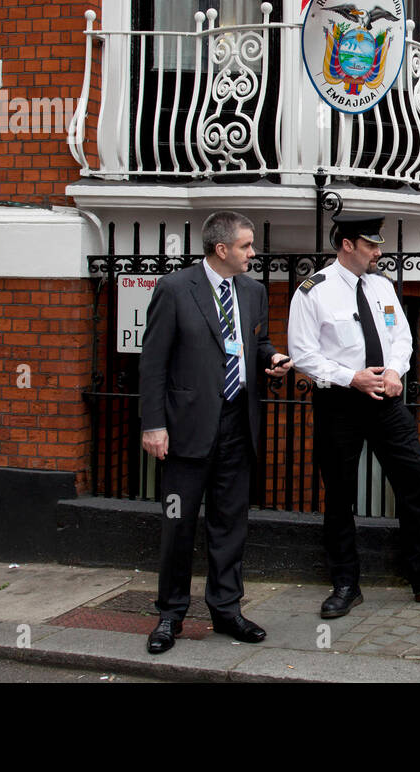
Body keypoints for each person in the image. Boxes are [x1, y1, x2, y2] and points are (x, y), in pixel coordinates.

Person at [287, 213, 420, 618]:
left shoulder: (382, 286)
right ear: (348, 244)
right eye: (371, 244)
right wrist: (350, 377)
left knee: (416, 478)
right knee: (339, 494)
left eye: (379, 244)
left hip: (386, 403)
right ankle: (345, 584)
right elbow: (303, 354)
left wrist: (393, 371)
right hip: (339, 403)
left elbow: (400, 335)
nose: (379, 251)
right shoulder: (312, 291)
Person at [140, 210, 293, 655]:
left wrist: (272, 359)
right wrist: (154, 424)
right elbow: (152, 364)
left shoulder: (252, 290)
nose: (253, 253)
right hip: (186, 428)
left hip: (237, 424)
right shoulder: (174, 288)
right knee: (178, 525)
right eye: (246, 246)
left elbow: (254, 343)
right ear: (221, 249)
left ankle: (227, 611)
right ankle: (170, 615)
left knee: (230, 524)